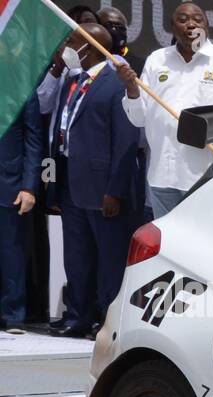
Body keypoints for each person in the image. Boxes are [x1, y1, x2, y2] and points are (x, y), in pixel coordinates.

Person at [115, 3, 213, 216]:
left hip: (204, 177)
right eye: (182, 20)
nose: (190, 24)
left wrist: (212, 136)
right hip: (161, 177)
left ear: (207, 25)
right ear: (172, 27)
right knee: (167, 246)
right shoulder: (157, 60)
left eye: (197, 19)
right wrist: (132, 90)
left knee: (200, 246)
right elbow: (139, 119)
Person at [48, 23, 143, 339]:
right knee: (77, 258)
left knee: (110, 259)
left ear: (90, 47)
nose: (66, 47)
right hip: (73, 184)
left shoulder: (116, 81)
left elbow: (127, 139)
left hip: (105, 189)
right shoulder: (74, 80)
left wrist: (114, 190)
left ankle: (108, 320)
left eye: (72, 42)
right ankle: (79, 316)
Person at [1, 95, 41, 334]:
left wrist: (29, 186)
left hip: (10, 183)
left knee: (11, 251)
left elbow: (34, 140)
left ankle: (13, 314)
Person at [97, 6, 142, 74]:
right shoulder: (88, 62)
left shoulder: (139, 65)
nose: (114, 30)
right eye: (109, 25)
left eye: (120, 27)